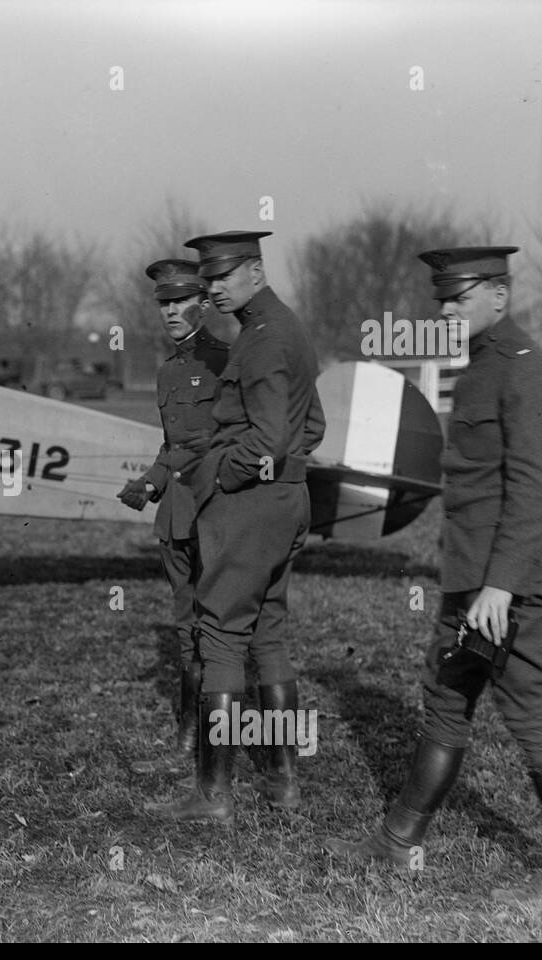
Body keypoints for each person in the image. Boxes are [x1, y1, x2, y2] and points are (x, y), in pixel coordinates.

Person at [327, 246, 542, 907]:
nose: (447, 309)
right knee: (445, 696)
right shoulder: (478, 366)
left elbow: (536, 493)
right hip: (469, 582)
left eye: (460, 297)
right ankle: (399, 839)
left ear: (500, 296)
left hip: (508, 587)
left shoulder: (526, 371)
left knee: (533, 715)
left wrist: (500, 586)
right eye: (443, 300)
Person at [146, 230, 324, 823]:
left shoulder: (262, 339)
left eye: (225, 276)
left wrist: (222, 476)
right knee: (268, 638)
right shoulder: (285, 328)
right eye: (210, 279)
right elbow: (312, 426)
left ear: (256, 271)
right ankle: (284, 780)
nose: (215, 288)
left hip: (248, 504)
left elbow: (268, 438)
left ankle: (213, 795)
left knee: (220, 638)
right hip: (289, 499)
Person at [118, 258, 228, 772]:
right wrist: (149, 483)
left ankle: (220, 744)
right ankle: (189, 741)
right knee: (187, 630)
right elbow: (173, 446)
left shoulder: (227, 363)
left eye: (181, 301)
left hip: (216, 515)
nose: (170, 311)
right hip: (176, 518)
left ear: (204, 304)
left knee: (219, 630)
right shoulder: (167, 371)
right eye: (163, 303)